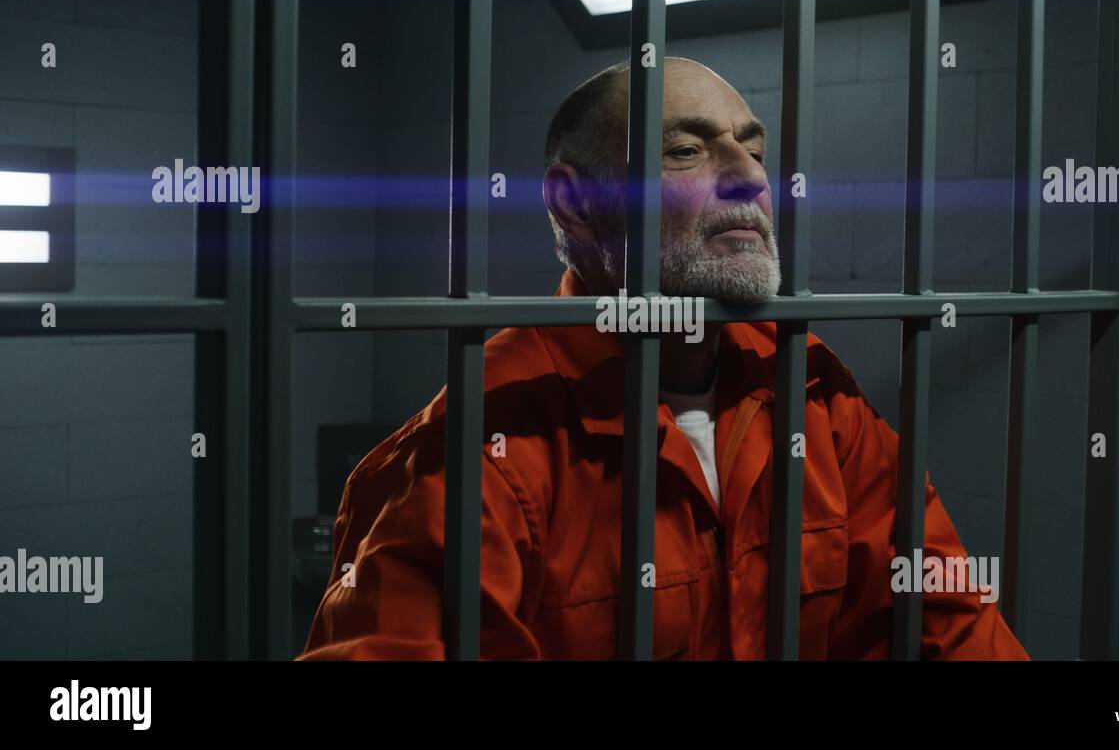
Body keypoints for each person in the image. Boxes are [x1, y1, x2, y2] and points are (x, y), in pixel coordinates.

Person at [298, 57, 1029, 660]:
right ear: (575, 202)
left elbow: (954, 627)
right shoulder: (482, 441)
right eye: (687, 149)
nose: (750, 176)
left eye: (754, 147)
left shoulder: (811, 389)